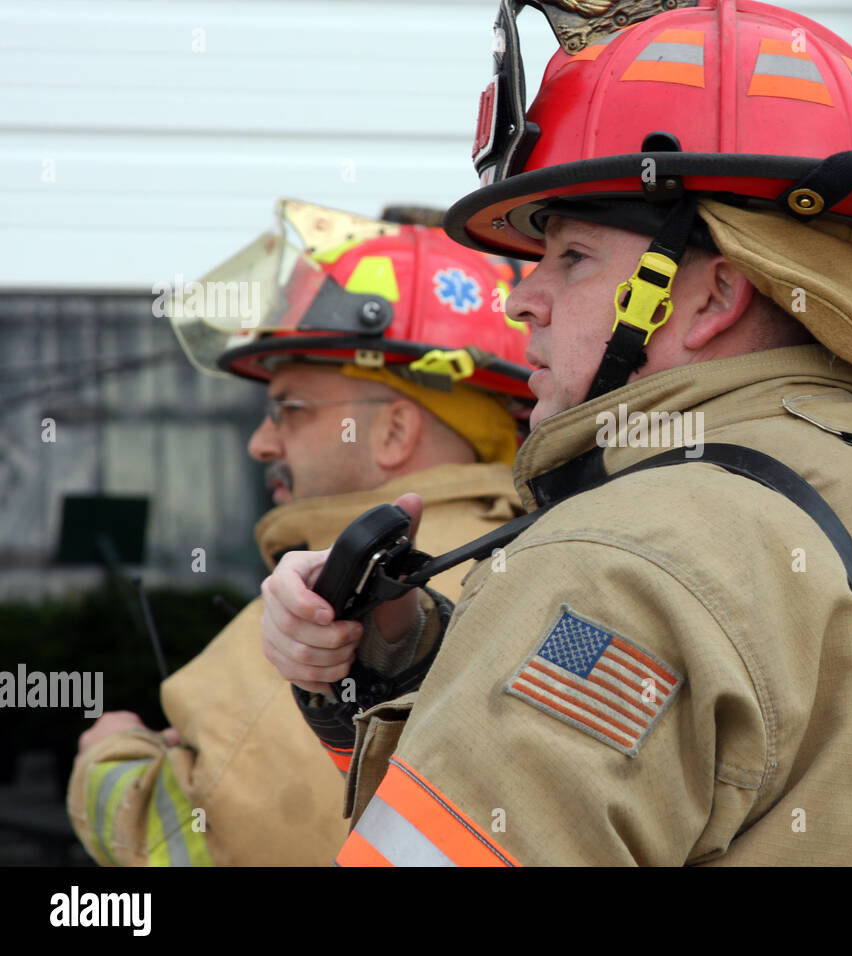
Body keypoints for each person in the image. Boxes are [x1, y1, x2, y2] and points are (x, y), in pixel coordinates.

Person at [261, 0, 852, 866]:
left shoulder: (620, 561)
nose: (521, 298)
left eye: (572, 258)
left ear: (711, 296)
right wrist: (397, 657)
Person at [66, 199, 532, 866]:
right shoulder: (535, 560)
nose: (259, 443)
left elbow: (208, 844)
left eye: (288, 409)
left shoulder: (331, 606)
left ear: (394, 430)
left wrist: (111, 758)